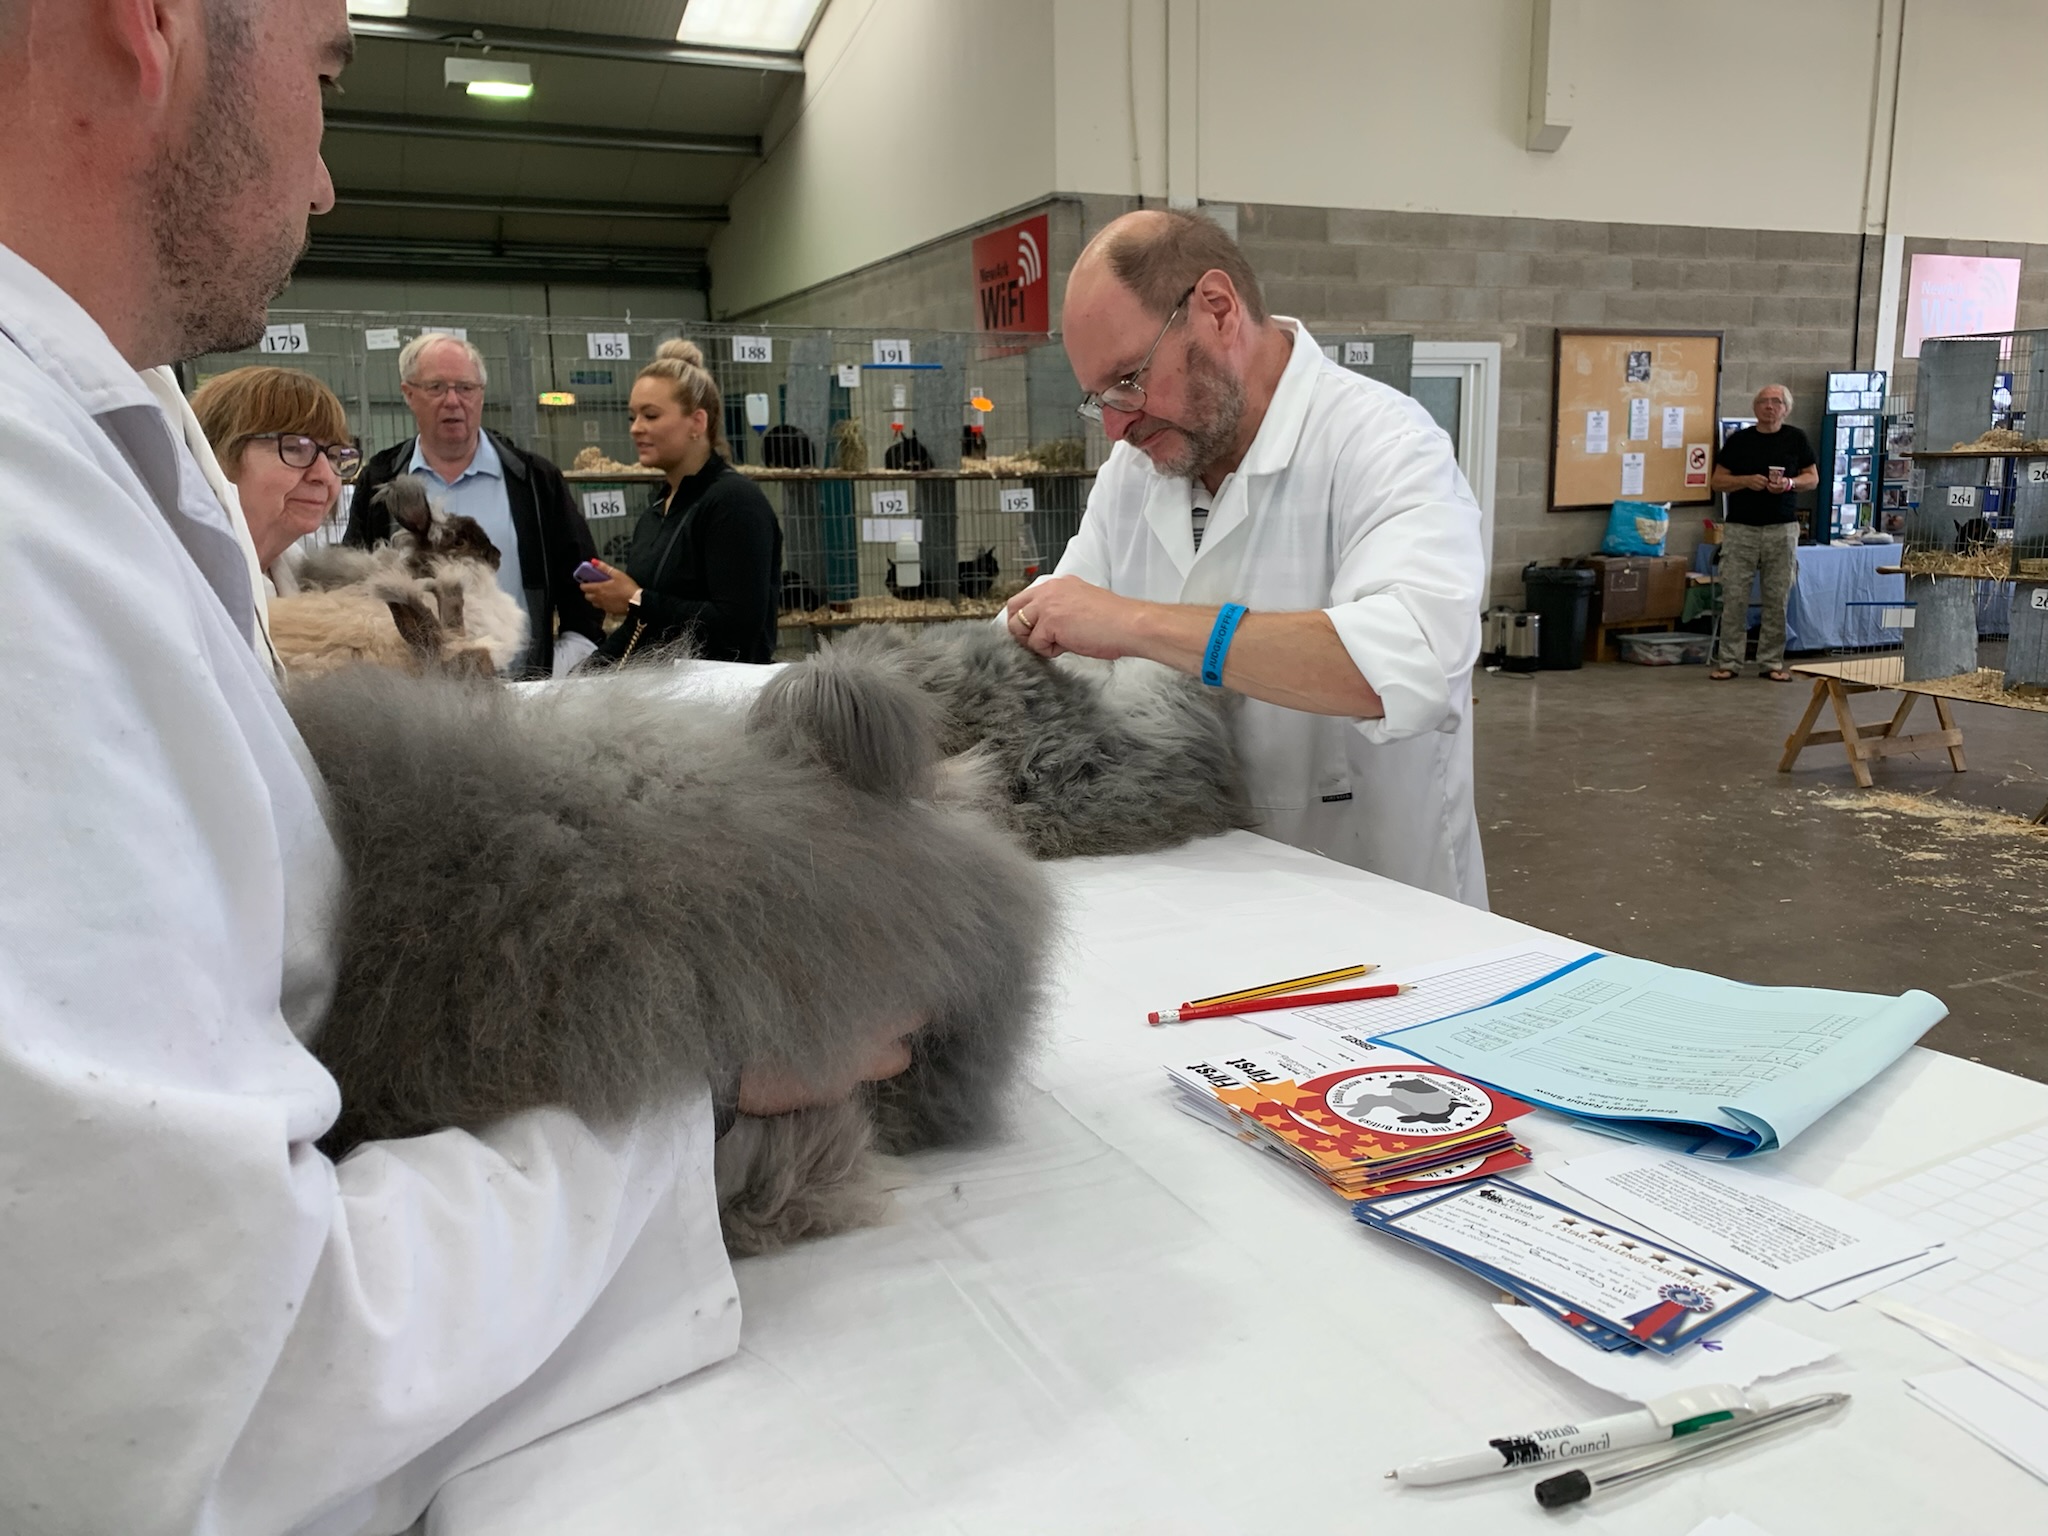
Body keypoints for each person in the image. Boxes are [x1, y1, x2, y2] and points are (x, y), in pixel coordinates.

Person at [0, 4, 897, 1532]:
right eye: (329, 78)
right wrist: (701, 1094)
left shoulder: (104, 423)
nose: (331, 180)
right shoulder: (30, 521)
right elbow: (215, 1384)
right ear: (149, 26)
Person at [1002, 210, 1488, 906]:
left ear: (1218, 310)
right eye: (1097, 400)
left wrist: (1137, 625)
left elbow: (1403, 667)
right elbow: (1065, 630)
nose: (1115, 423)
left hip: (1375, 897)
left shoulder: (1384, 446)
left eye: (1129, 381)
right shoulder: (1133, 475)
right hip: (1198, 891)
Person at [347, 331, 604, 678]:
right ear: (409, 394)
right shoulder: (381, 478)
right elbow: (356, 583)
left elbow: (582, 585)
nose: (453, 400)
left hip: (523, 685)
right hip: (417, 689)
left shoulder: (535, 479)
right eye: (436, 387)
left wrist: (561, 666)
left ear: (480, 395)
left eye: (465, 388)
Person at [581, 338, 783, 665]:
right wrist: (582, 676)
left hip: (718, 699)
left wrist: (634, 598)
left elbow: (738, 625)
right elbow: (644, 626)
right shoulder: (658, 511)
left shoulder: (734, 502)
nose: (636, 428)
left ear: (697, 423)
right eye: (632, 417)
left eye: (650, 415)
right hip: (662, 696)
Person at [190, 364, 361, 592]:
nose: (324, 475)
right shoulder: (184, 582)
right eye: (294, 448)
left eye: (335, 455)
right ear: (216, 453)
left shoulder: (296, 571)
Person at [1709, 384, 1818, 682]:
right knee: (1734, 596)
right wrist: (1745, 481)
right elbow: (1718, 481)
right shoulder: (1739, 441)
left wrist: (1790, 484)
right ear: (1755, 408)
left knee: (1777, 597)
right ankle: (1729, 661)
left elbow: (1813, 478)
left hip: (1781, 529)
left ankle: (1771, 661)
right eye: (1764, 401)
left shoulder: (1796, 438)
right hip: (1741, 528)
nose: (1769, 406)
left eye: (1776, 402)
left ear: (1786, 408)